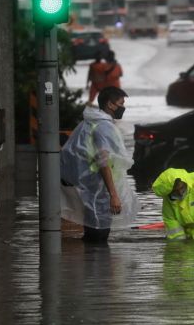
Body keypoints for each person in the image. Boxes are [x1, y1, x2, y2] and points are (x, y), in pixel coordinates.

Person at [60, 86, 139, 243]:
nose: (123, 107)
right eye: (121, 103)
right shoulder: (103, 127)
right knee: (99, 236)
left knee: (93, 234)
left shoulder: (90, 123)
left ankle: (92, 264)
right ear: (110, 104)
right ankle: (97, 266)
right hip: (98, 188)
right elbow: (103, 162)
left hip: (92, 187)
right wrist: (114, 195)